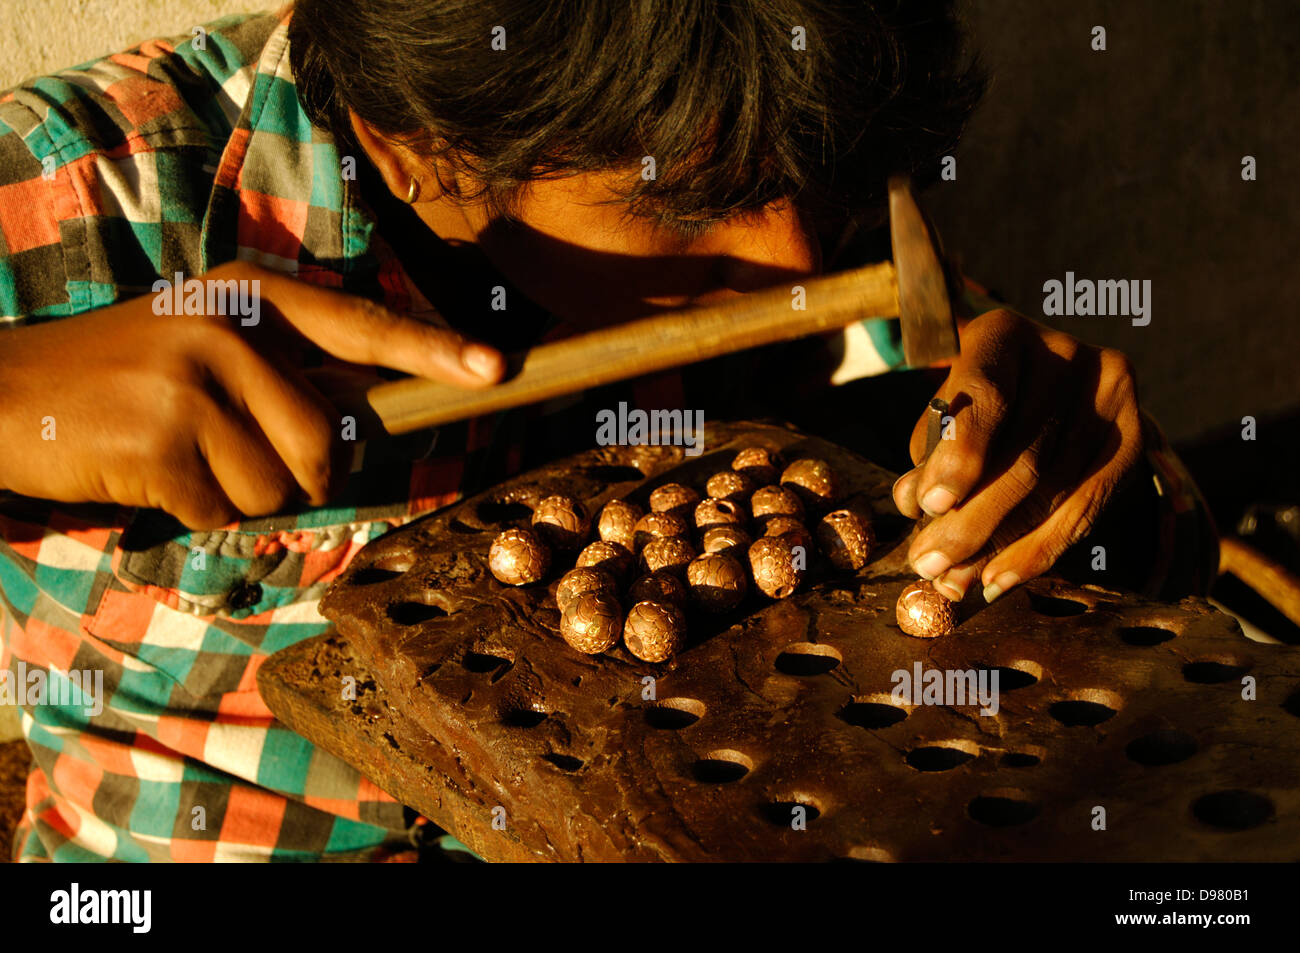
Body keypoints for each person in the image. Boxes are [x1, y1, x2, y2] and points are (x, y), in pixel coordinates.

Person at [0, 1, 1213, 861]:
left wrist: (1095, 495)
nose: (796, 256)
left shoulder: (801, 203)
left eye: (823, 182)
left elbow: (1035, 553)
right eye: (691, 203)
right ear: (417, 144)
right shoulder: (81, 198)